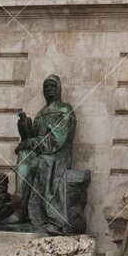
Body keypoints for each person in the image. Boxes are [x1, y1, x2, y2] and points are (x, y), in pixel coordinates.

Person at [14, 75, 77, 232]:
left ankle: (50, 218)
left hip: (57, 153)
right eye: (46, 87)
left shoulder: (65, 110)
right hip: (42, 151)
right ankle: (21, 208)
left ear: (59, 89)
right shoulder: (41, 113)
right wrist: (24, 130)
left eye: (52, 86)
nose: (49, 90)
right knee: (24, 157)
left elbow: (56, 140)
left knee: (44, 162)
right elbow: (34, 138)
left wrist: (31, 143)